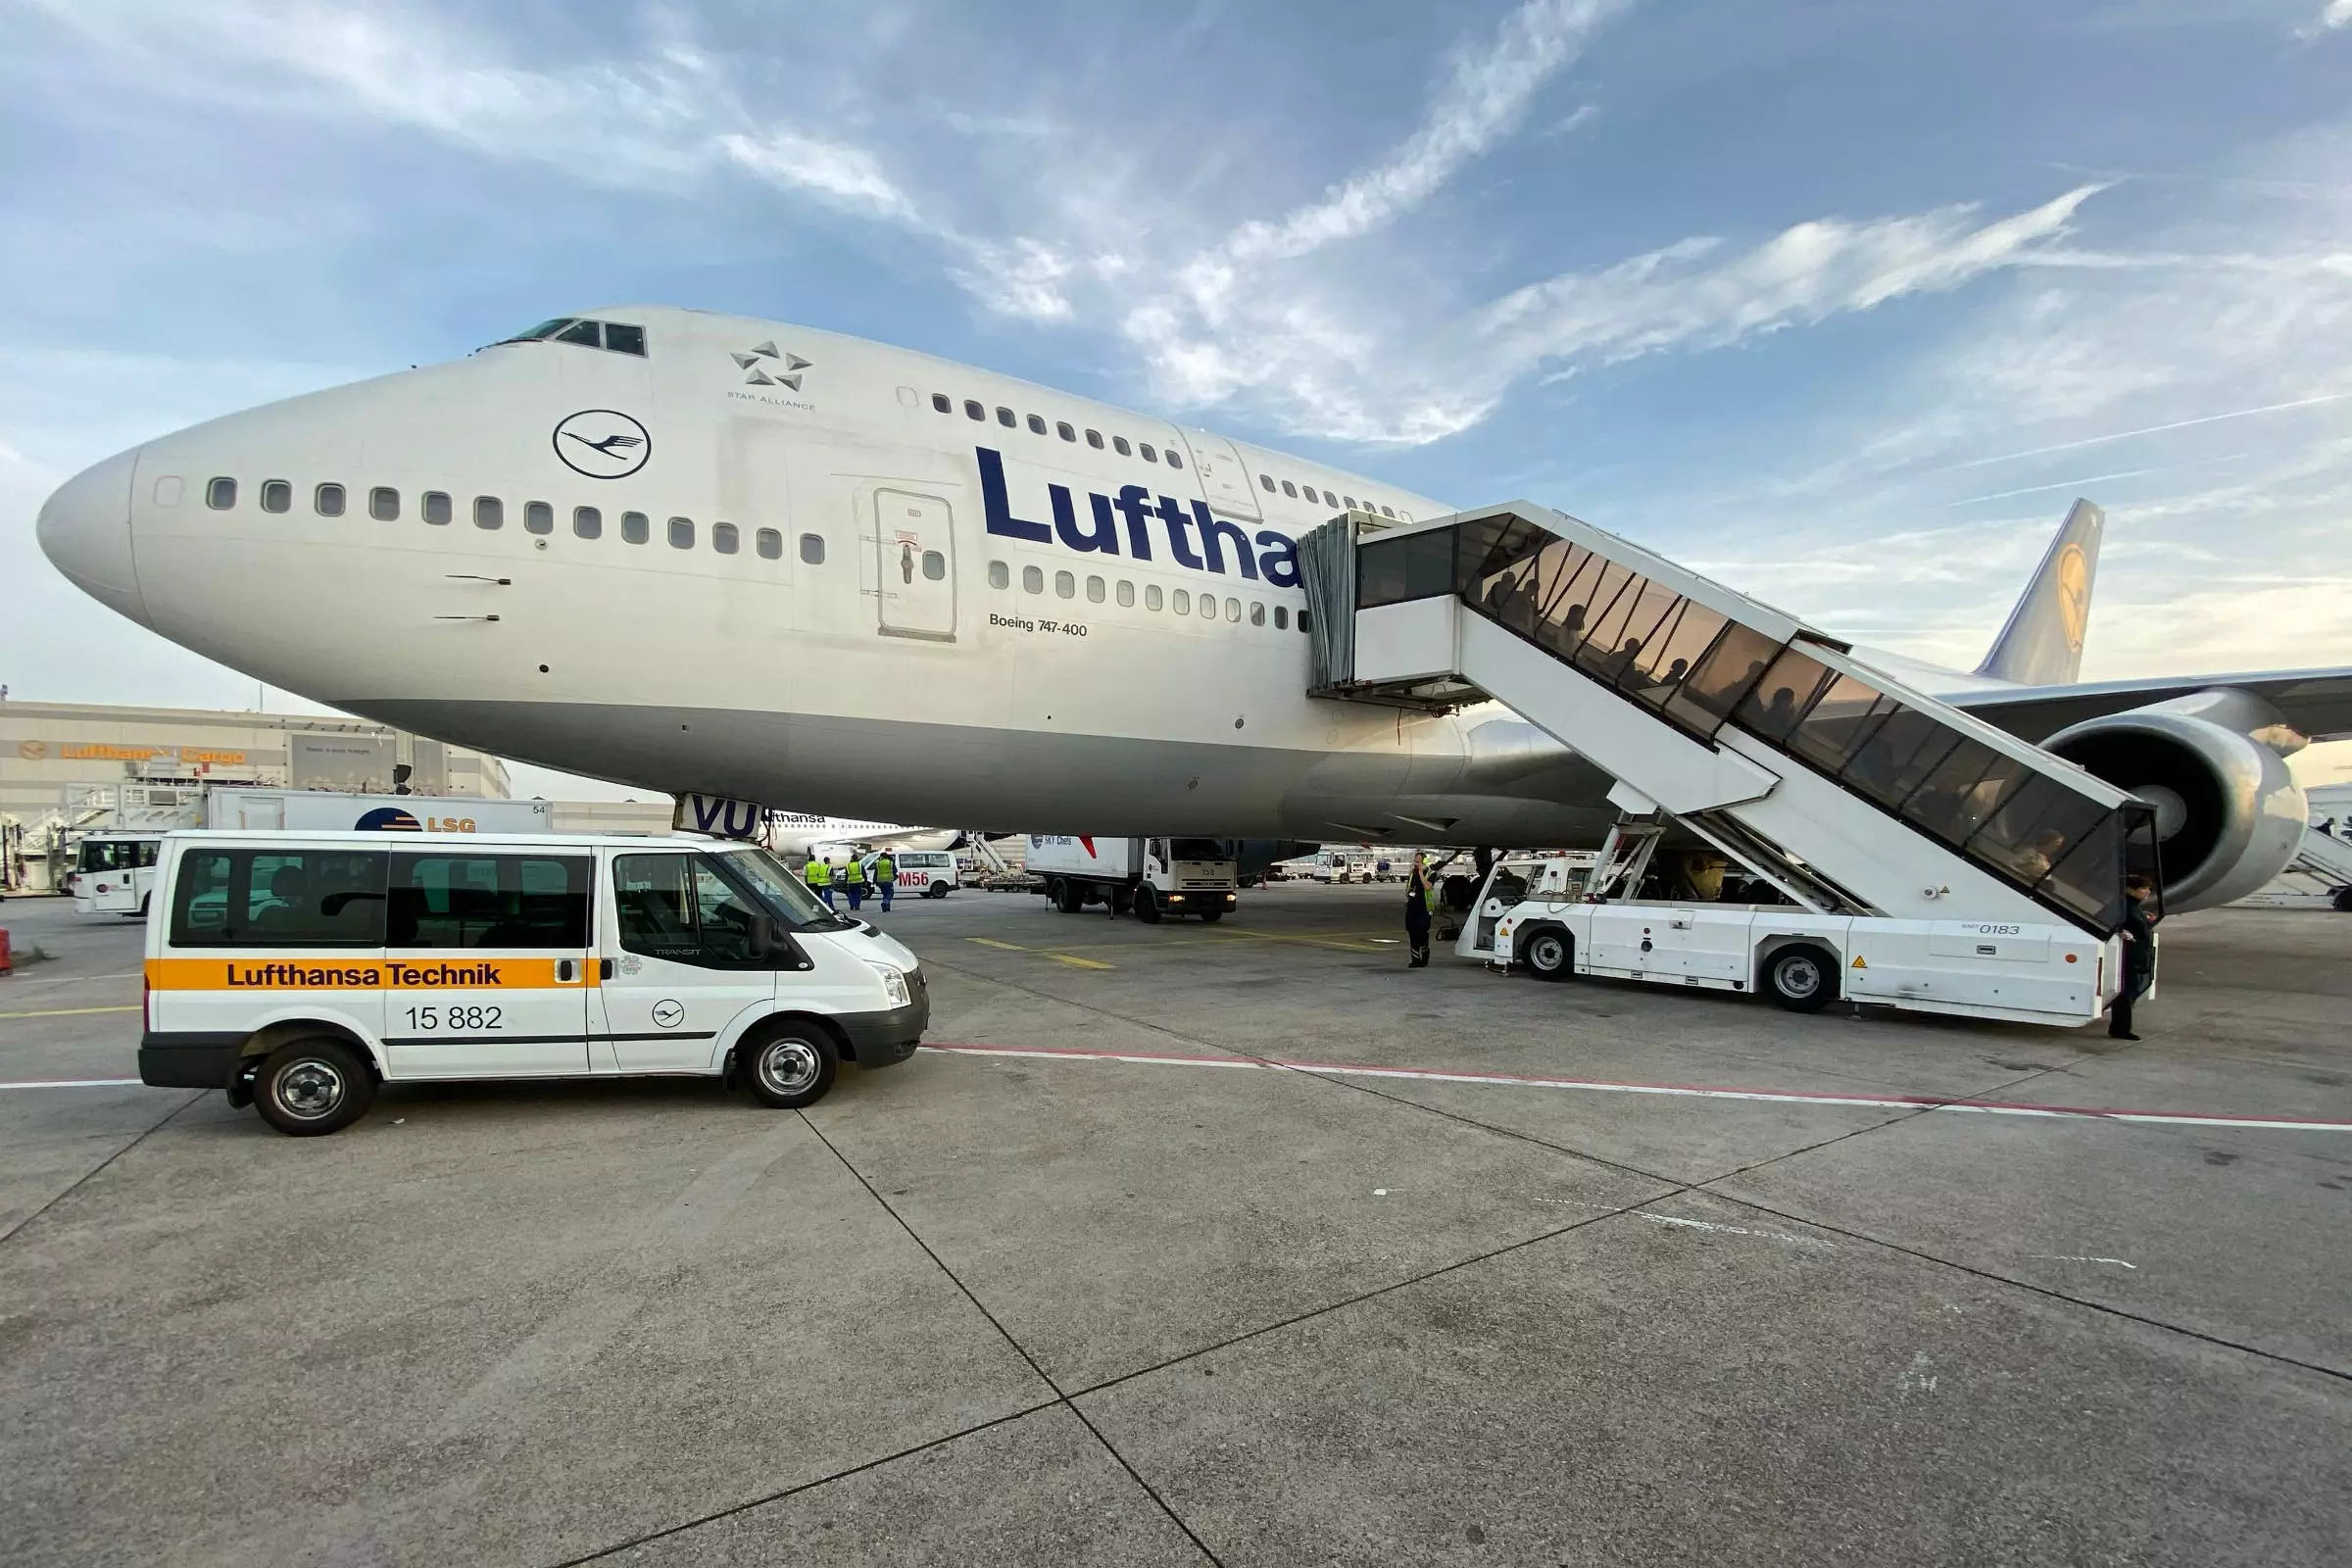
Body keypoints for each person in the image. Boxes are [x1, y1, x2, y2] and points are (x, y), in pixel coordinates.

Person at [2108, 873, 2158, 1040]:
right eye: (2144, 888)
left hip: (2137, 954)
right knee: (2125, 992)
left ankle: (2120, 1027)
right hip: (2129, 956)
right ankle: (2120, 1029)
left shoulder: (2133, 905)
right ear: (2130, 889)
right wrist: (2120, 931)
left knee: (2129, 992)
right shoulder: (2124, 906)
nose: (2147, 892)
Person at [1404, 857, 1434, 968]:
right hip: (1412, 907)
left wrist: (1421, 872)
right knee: (1412, 932)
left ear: (1424, 861)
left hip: (1424, 908)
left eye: (1418, 860)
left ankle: (1425, 953)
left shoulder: (1431, 873)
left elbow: (1427, 886)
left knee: (1421, 932)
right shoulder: (1413, 872)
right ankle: (1415, 960)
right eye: (1415, 860)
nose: (1415, 862)